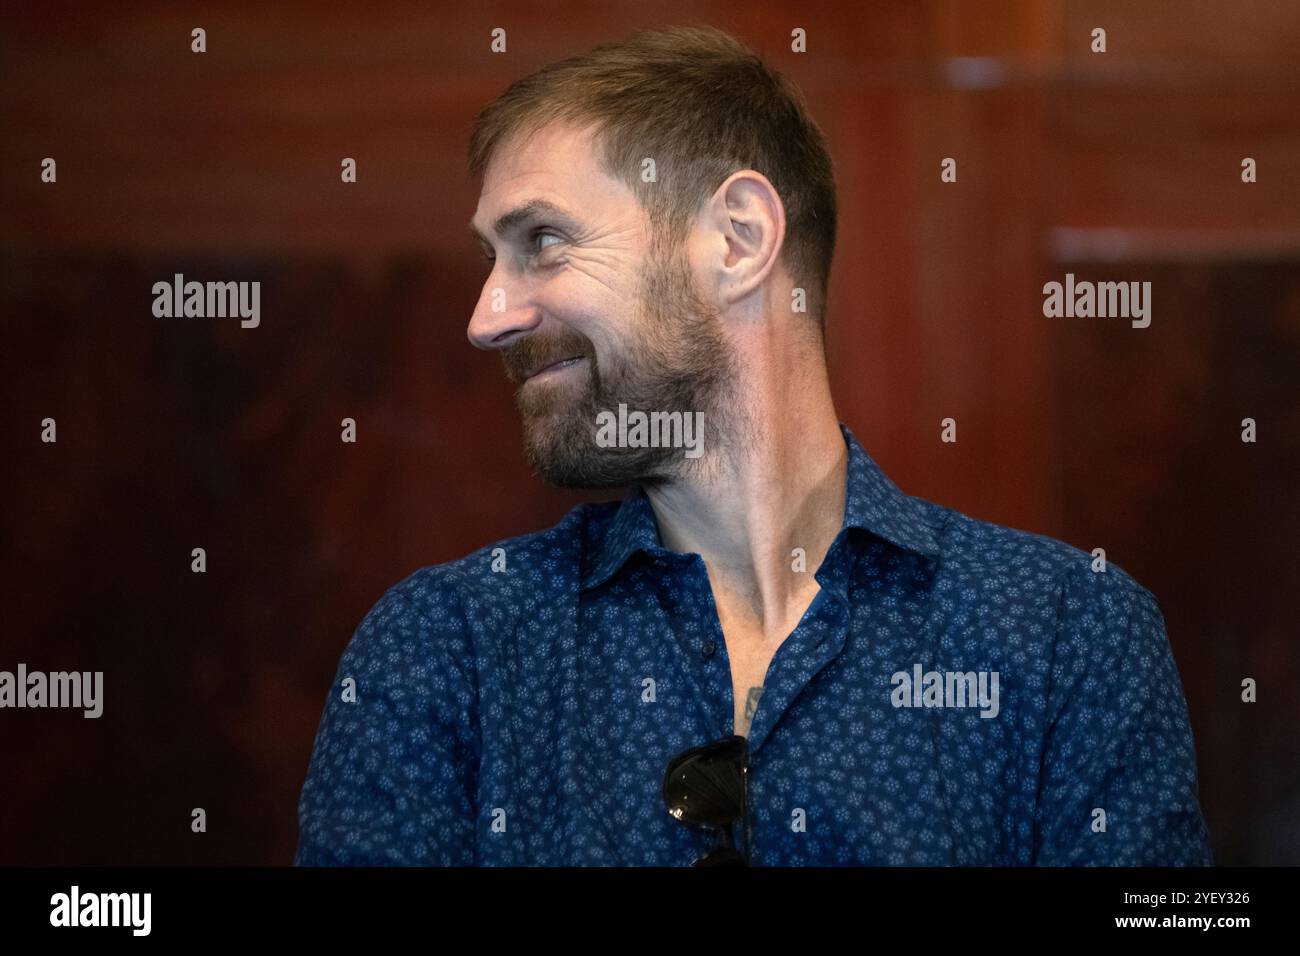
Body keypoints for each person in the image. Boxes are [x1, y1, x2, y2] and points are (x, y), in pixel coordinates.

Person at [294, 25, 1212, 866]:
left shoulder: (1067, 636)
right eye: (489, 259)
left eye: (542, 241)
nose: (487, 316)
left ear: (739, 239)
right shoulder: (445, 650)